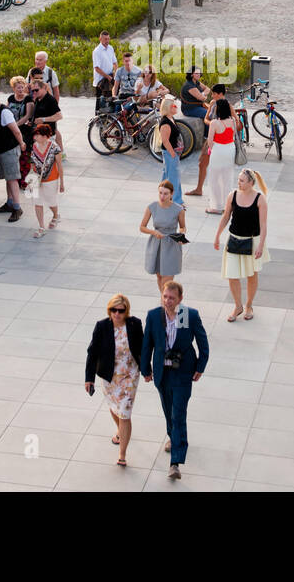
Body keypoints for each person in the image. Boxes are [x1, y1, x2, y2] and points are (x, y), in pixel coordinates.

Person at [139, 280, 209, 480]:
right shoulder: (154, 316)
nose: (168, 301)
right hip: (163, 372)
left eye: (172, 298)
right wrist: (146, 369)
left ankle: (175, 463)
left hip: (183, 372)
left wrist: (200, 367)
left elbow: (203, 343)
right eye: (165, 297)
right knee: (168, 410)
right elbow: (147, 345)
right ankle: (173, 436)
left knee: (178, 414)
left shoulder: (188, 315)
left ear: (180, 299)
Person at [85, 294, 143, 467]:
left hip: (130, 377)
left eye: (121, 310)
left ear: (126, 311)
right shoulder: (102, 326)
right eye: (113, 310)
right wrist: (89, 379)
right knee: (114, 407)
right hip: (109, 376)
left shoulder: (134, 324)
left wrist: (147, 369)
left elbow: (144, 347)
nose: (117, 314)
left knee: (125, 413)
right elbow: (92, 352)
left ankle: (122, 454)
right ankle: (120, 431)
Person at [213, 168, 269, 322]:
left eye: (242, 181)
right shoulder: (233, 195)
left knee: (252, 275)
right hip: (234, 239)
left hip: (252, 241)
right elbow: (225, 217)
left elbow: (263, 225)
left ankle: (249, 305)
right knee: (232, 275)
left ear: (251, 183)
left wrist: (261, 246)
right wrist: (217, 235)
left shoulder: (260, 199)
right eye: (238, 180)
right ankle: (238, 306)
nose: (239, 183)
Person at [0, 89, 25, 221]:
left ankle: (17, 208)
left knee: (13, 179)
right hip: (3, 150)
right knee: (9, 178)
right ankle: (10, 203)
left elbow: (16, 130)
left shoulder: (5, 112)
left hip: (10, 150)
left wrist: (22, 143)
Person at [142, 182, 186, 291]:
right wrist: (153, 232)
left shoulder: (179, 209)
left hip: (171, 245)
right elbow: (142, 227)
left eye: (166, 194)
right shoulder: (152, 207)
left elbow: (182, 227)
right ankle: (165, 302)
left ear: (172, 194)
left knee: (167, 281)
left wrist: (181, 234)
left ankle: (165, 303)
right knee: (159, 277)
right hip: (156, 244)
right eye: (160, 193)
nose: (162, 196)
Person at [203, 97, 238, 214]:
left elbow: (210, 140)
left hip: (218, 149)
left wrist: (212, 150)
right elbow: (232, 135)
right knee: (227, 178)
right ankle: (227, 205)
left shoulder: (215, 123)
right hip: (230, 148)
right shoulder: (233, 120)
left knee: (214, 178)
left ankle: (216, 206)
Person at [28, 123, 63, 238]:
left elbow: (59, 165)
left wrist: (62, 183)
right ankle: (41, 227)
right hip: (36, 179)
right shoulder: (34, 146)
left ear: (44, 136)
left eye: (37, 135)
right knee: (37, 203)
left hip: (51, 179)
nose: (35, 137)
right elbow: (32, 162)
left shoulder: (54, 148)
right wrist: (30, 179)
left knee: (51, 202)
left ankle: (55, 215)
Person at [156, 95, 185, 206]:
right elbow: (165, 140)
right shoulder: (165, 123)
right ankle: (176, 200)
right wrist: (172, 154)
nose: (176, 107)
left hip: (173, 152)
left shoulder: (171, 119)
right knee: (174, 177)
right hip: (170, 153)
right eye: (174, 106)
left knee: (167, 175)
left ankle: (163, 196)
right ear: (168, 108)